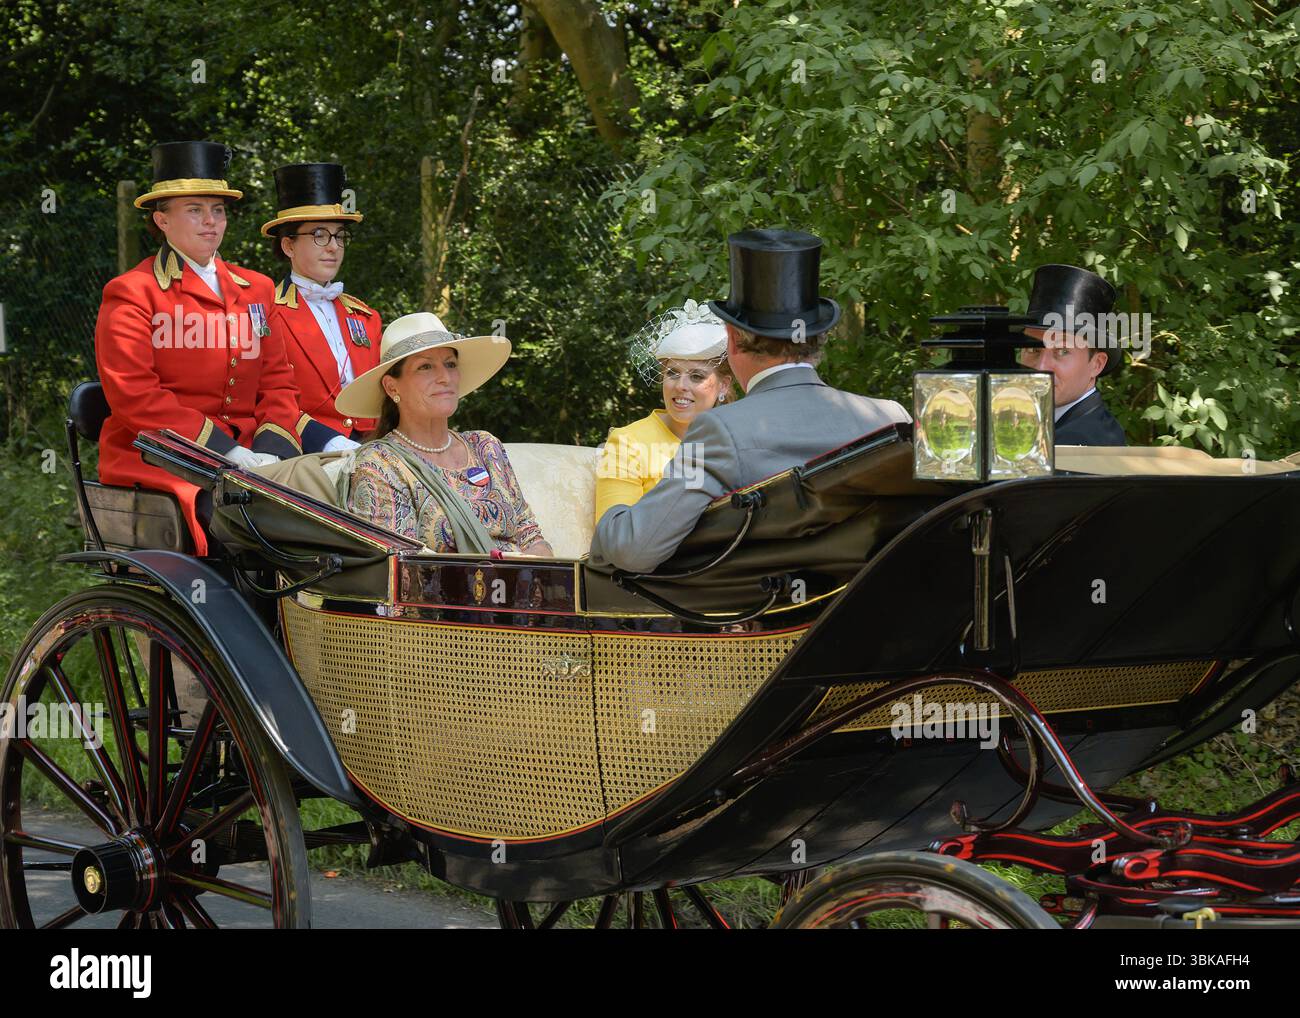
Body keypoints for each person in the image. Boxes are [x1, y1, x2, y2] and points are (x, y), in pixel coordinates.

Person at [588, 227, 911, 575]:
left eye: (696, 376)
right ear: (817, 340)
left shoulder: (715, 431)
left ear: (733, 341)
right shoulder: (888, 417)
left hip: (756, 618)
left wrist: (613, 521)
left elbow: (635, 551)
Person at [94, 141, 340, 555]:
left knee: (338, 509)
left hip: (255, 457)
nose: (211, 222)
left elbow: (278, 383)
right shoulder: (132, 293)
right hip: (164, 460)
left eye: (218, 210)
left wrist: (270, 451)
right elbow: (136, 398)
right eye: (195, 210)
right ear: (162, 220)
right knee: (262, 527)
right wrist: (227, 452)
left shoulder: (257, 289)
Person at [337, 312, 553, 556]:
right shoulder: (379, 464)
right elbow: (399, 568)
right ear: (392, 386)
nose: (445, 377)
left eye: (450, 364)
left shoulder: (485, 446)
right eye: (425, 367)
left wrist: (536, 574)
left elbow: (530, 535)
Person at [263, 162, 381, 443]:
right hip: (306, 451)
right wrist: (329, 441)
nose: (333, 246)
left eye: (340, 236)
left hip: (374, 448)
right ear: (288, 245)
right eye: (319, 235)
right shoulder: (267, 313)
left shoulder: (366, 317)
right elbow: (267, 400)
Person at [594, 299, 735, 522]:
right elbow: (611, 532)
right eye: (672, 373)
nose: (681, 385)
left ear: (724, 386)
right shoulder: (627, 442)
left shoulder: (735, 440)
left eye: (696, 376)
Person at [1018, 264, 1126, 446]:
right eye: (1033, 349)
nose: (1040, 367)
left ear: (1096, 364)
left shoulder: (1082, 444)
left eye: (1062, 351)